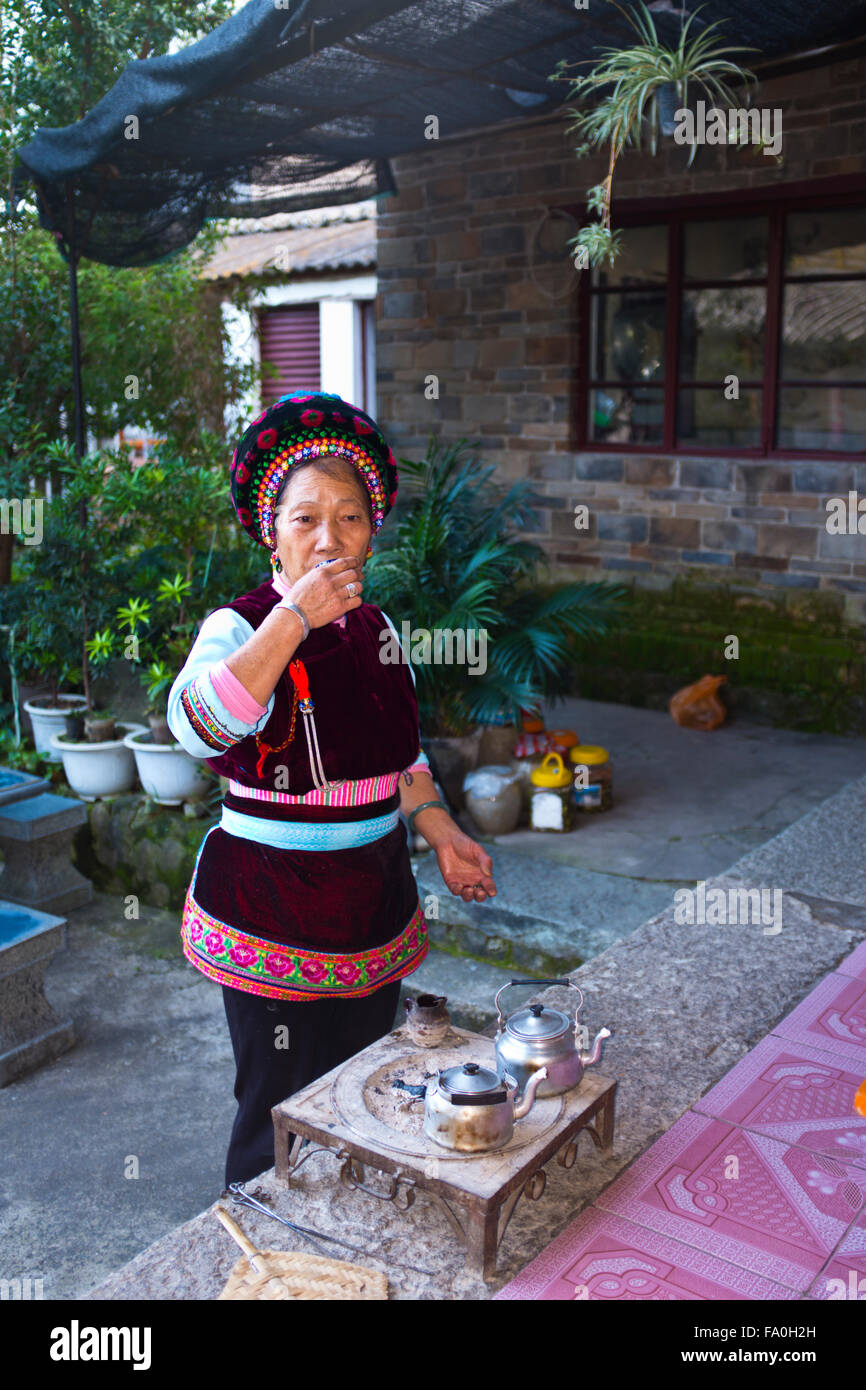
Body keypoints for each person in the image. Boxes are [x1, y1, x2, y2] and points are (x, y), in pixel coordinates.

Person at [166, 390, 497, 1187]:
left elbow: (404, 760)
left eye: (348, 518)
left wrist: (445, 834)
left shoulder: (380, 633)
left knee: (358, 1090)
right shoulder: (241, 625)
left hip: (370, 902)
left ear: (371, 533)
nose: (327, 538)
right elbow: (196, 726)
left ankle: (343, 1241)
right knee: (277, 1107)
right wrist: (293, 619)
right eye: (305, 518)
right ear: (271, 535)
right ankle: (259, 1240)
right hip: (270, 911)